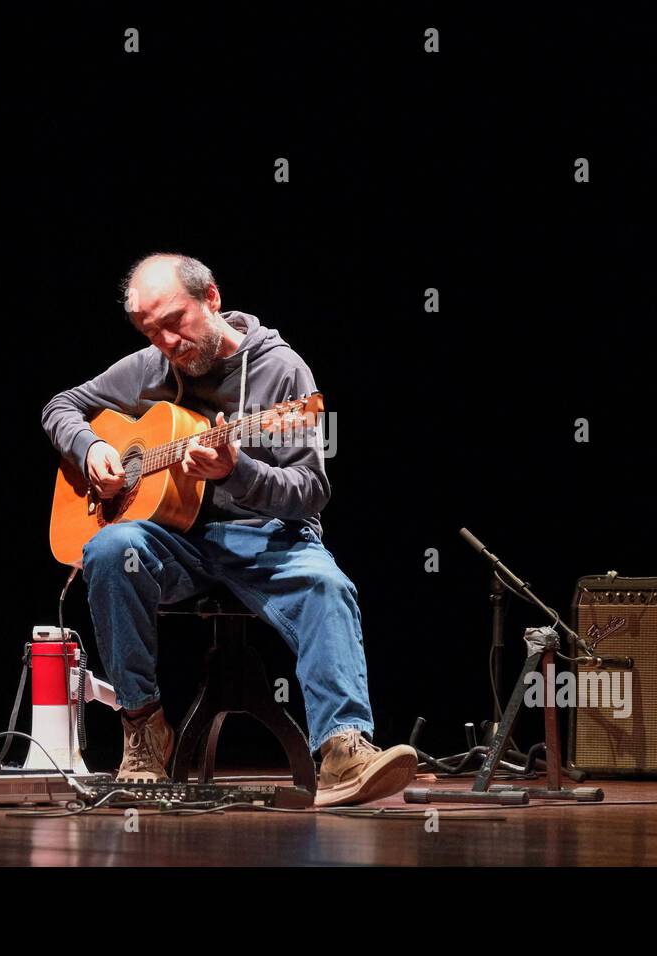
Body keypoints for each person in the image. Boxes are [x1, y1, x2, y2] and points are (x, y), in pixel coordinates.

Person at [41, 253, 416, 806]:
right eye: (151, 330)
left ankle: (343, 751)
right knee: (109, 546)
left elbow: (310, 490)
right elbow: (61, 406)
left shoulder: (284, 374)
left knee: (327, 586)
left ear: (210, 298)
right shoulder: (149, 367)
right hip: (178, 543)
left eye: (175, 321)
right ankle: (143, 725)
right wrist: (92, 446)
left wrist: (237, 471)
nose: (167, 341)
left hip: (269, 538)